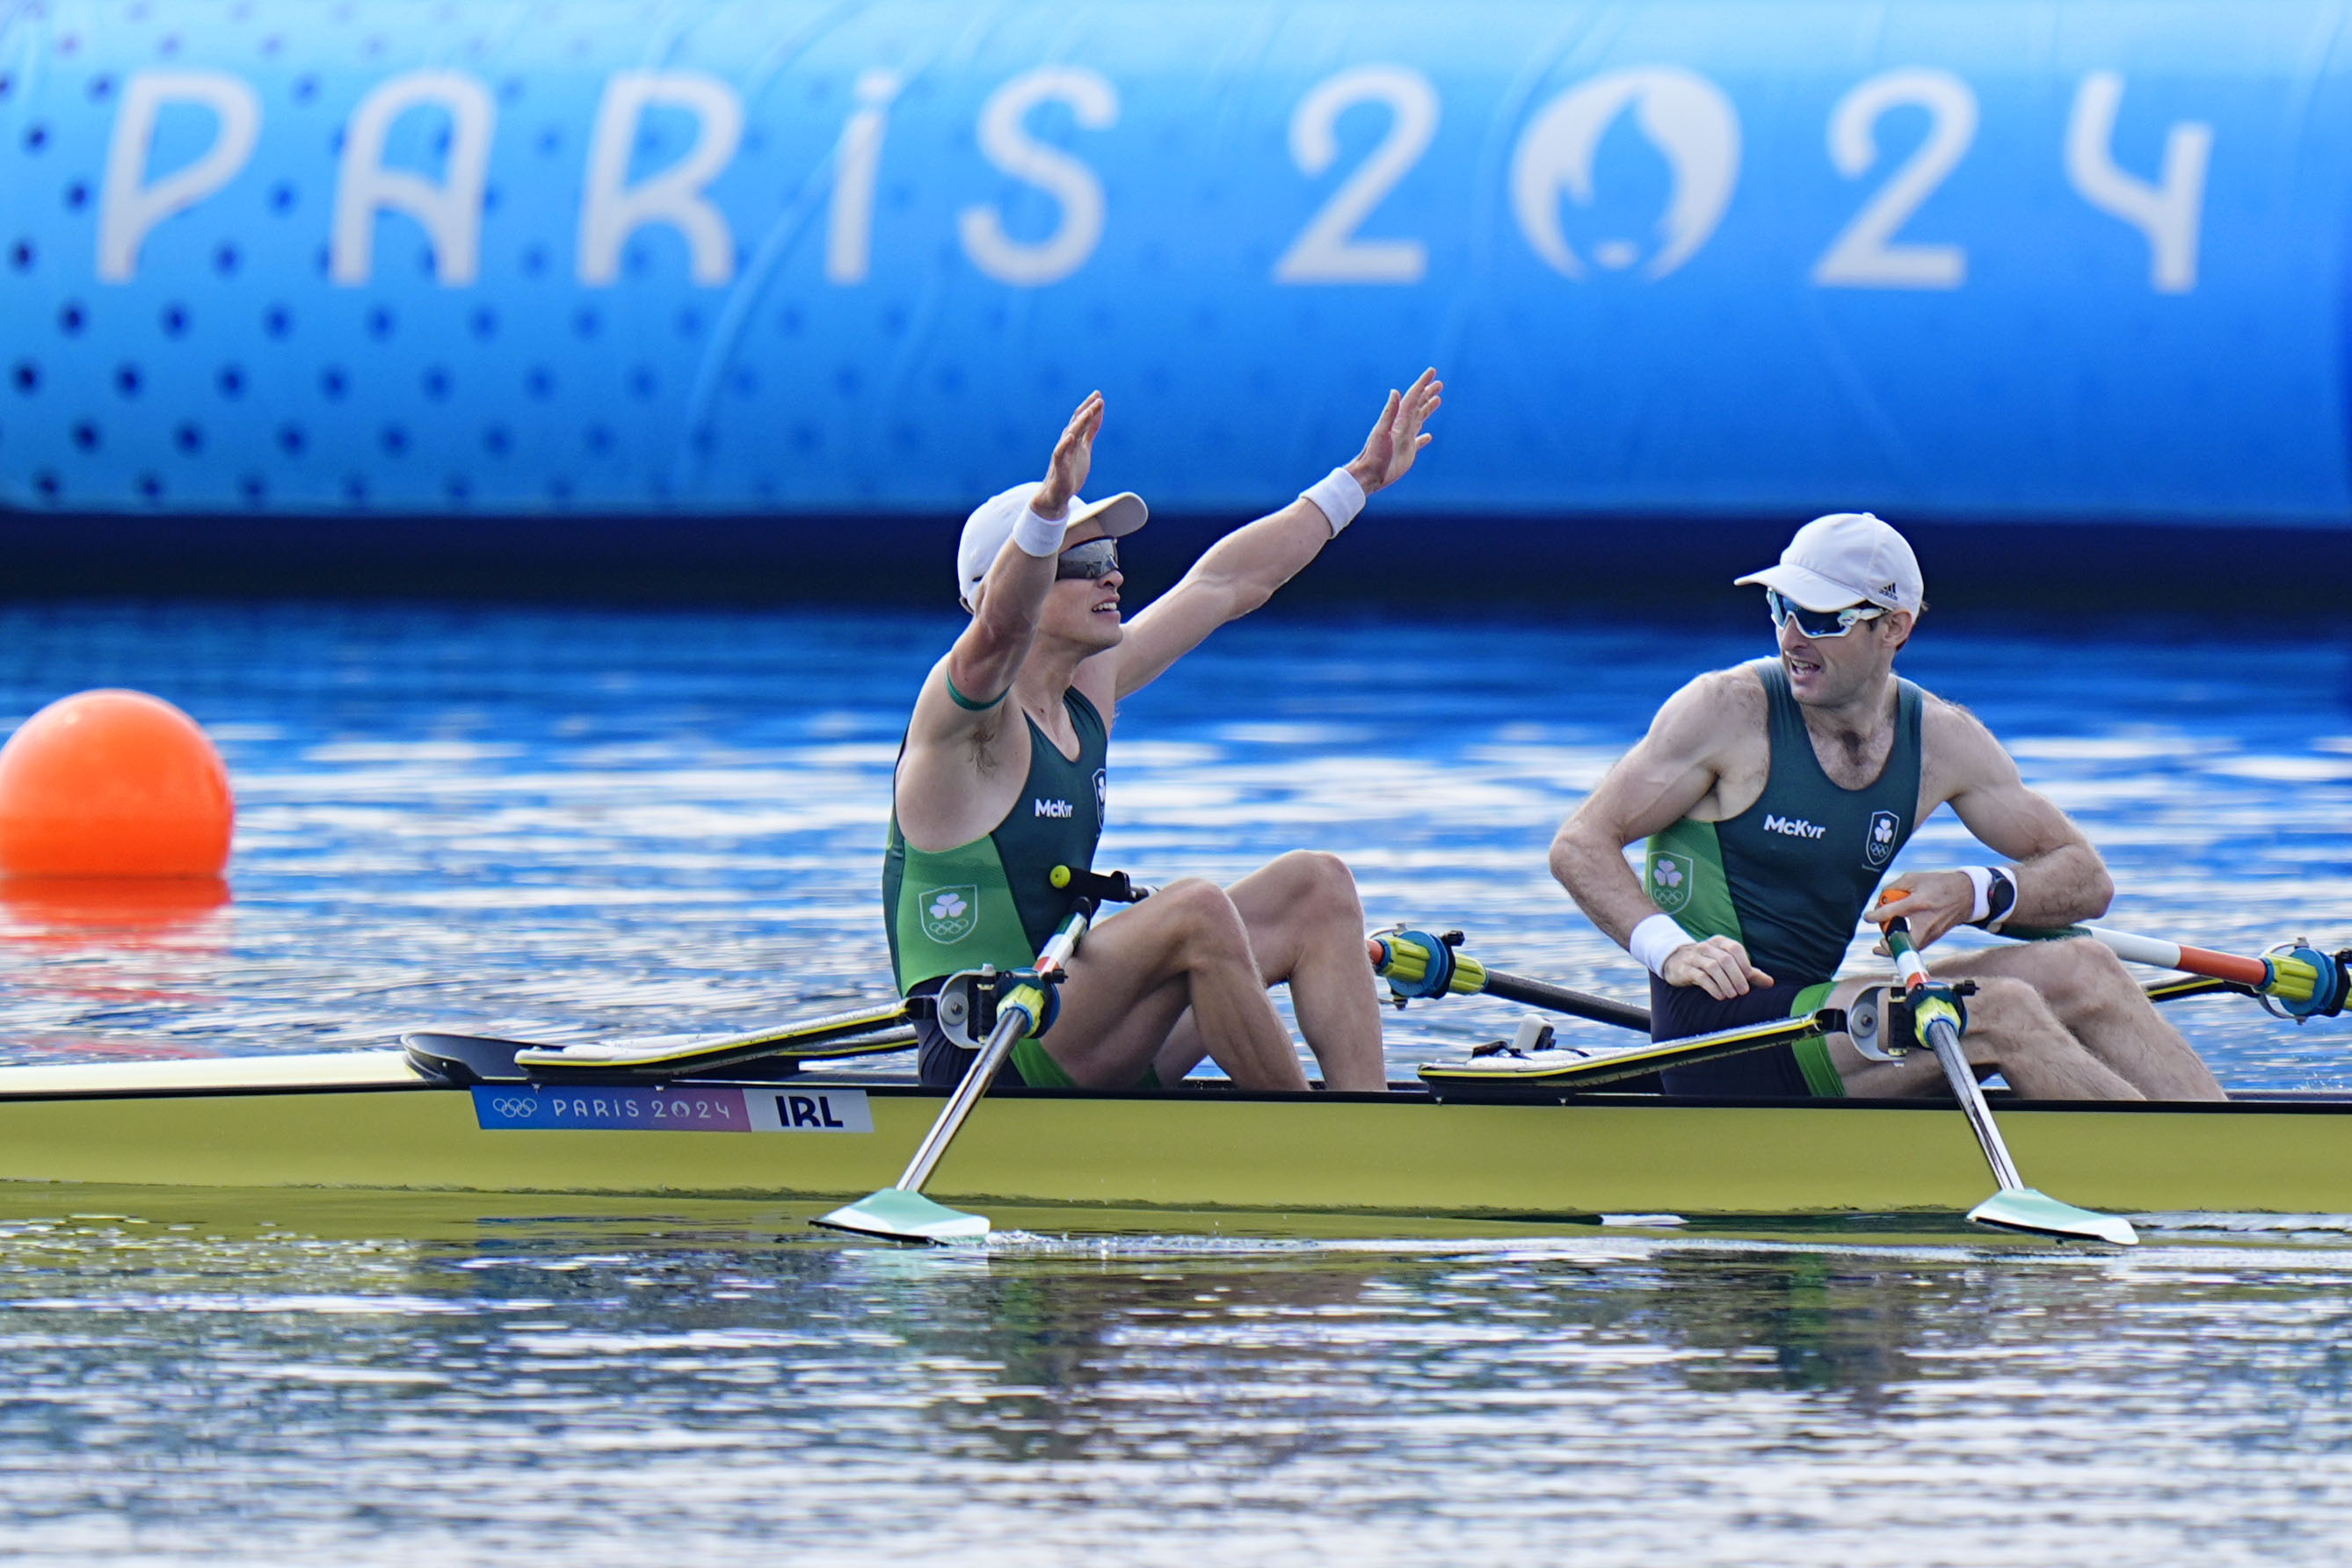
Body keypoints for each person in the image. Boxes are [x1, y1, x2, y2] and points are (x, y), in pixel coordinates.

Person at [883, 371, 1443, 1093]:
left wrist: (1357, 482)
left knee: (1318, 887)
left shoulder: (1089, 688)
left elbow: (1226, 584)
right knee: (1194, 910)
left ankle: (1367, 1131)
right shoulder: (964, 719)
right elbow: (997, 628)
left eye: (1112, 561)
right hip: (988, 1052)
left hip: (1071, 1017)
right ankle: (1312, 1148)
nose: (1111, 578)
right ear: (1008, 581)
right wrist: (1048, 508)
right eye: (1080, 562)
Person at [1548, 511, 2225, 1102]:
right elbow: (1580, 844)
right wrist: (1670, 950)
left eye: (1818, 618)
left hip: (1818, 1022)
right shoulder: (1726, 711)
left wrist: (1972, 892)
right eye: (1780, 608)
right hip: (1717, 1038)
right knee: (2002, 1010)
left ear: (1894, 627)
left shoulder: (1941, 740)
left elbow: (2087, 879)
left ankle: (2233, 1152)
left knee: (2086, 966)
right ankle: (2180, 1186)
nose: (1790, 637)